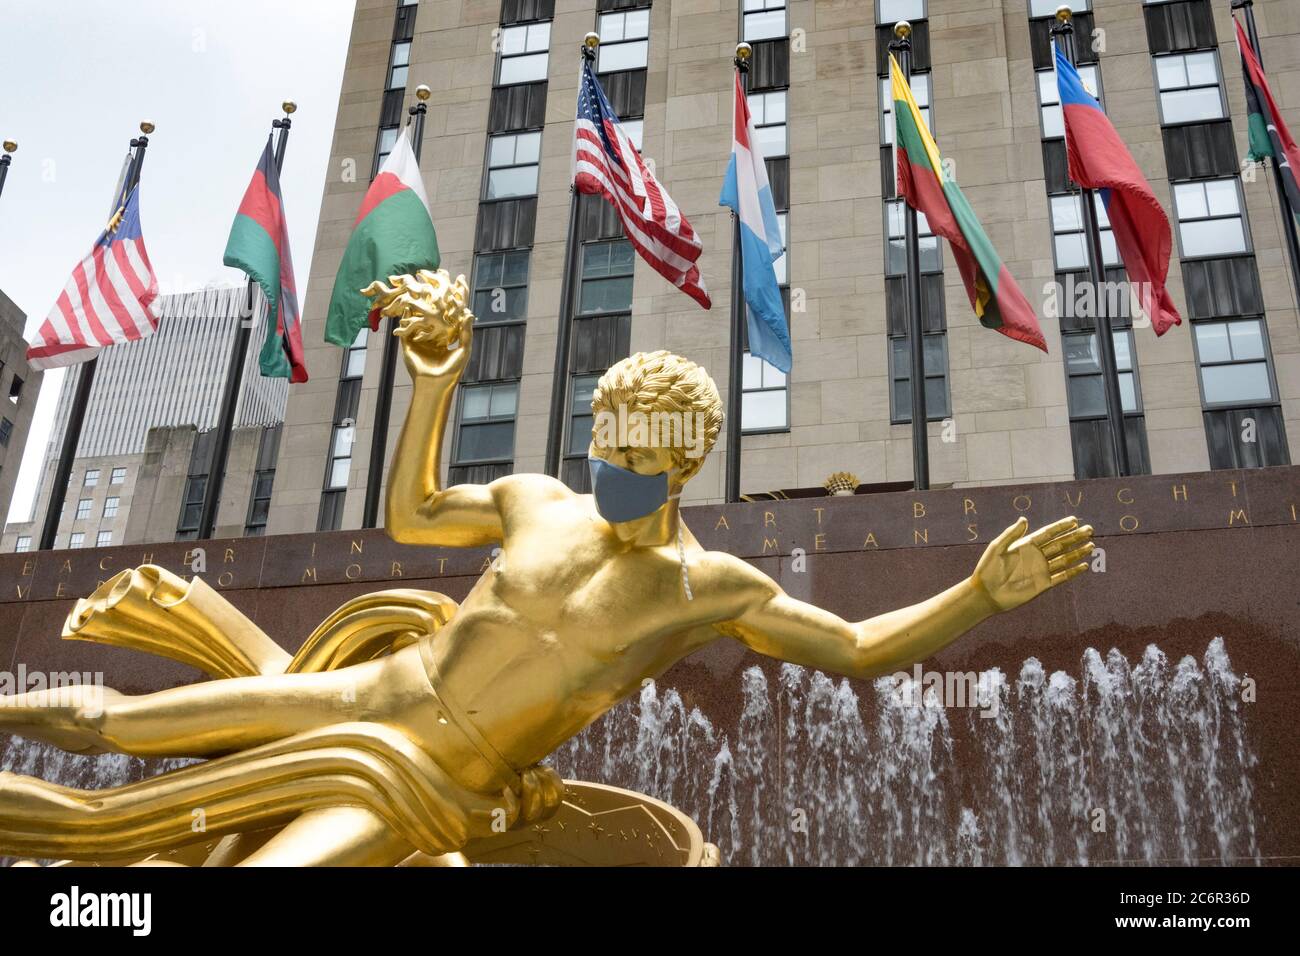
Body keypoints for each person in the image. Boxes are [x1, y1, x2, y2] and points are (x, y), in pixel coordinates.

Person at [0, 270, 1093, 866]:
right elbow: (416, 512)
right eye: (602, 444)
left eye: (632, 457)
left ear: (681, 464)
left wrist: (977, 595)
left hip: (436, 782)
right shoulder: (539, 499)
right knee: (114, 727)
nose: (607, 465)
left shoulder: (704, 588)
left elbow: (852, 648)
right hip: (364, 691)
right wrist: (434, 384)